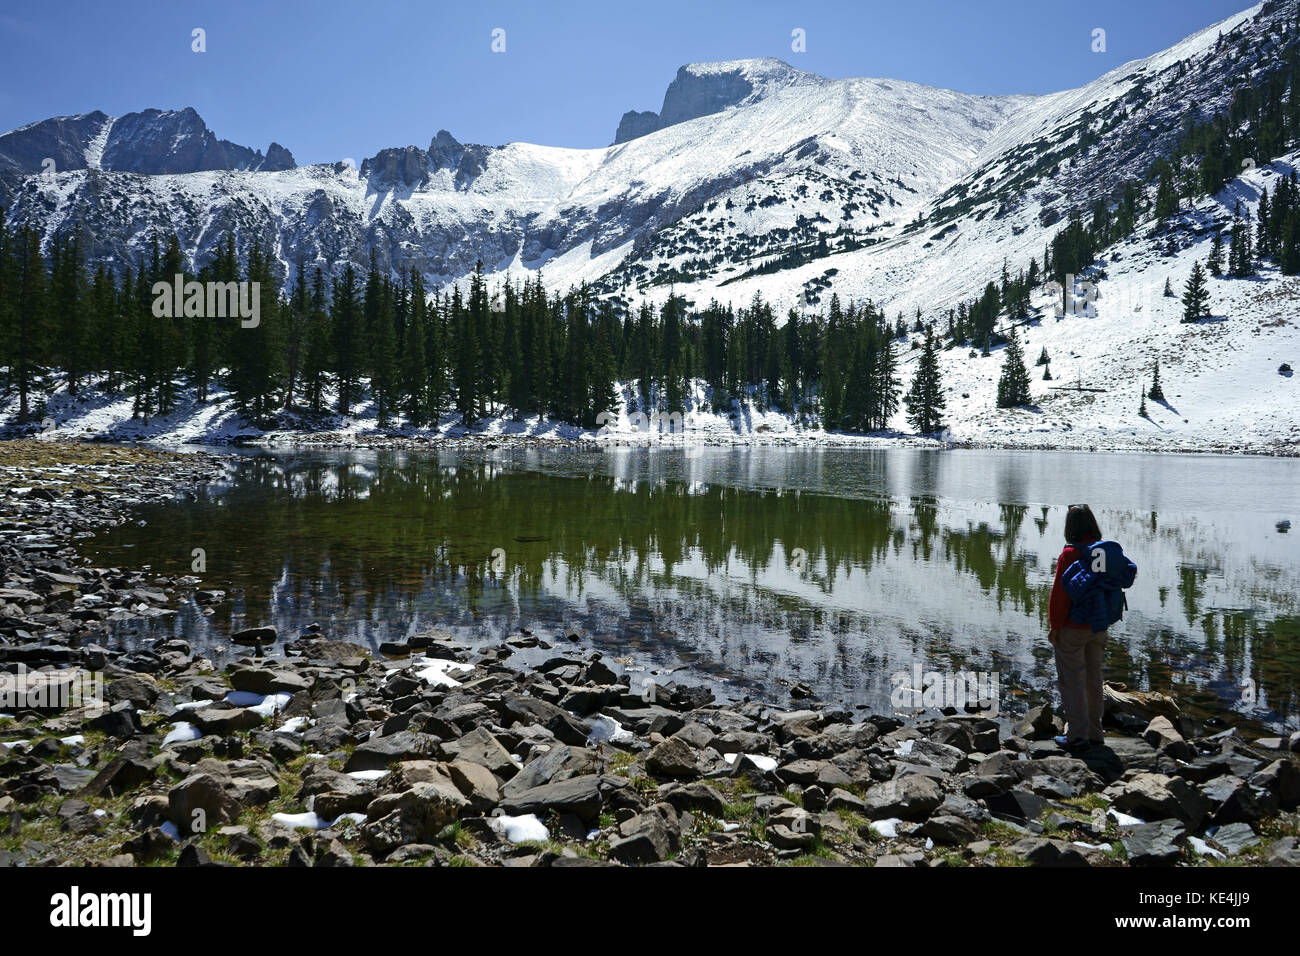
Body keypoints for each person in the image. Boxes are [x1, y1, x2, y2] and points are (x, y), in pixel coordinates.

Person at [1047, 503, 1108, 753]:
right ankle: (1095, 733)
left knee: (1072, 681)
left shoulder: (1070, 553)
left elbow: (1059, 596)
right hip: (1099, 625)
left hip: (1073, 627)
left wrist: (1055, 627)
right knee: (1094, 679)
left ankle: (1077, 736)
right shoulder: (1101, 552)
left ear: (1070, 527)